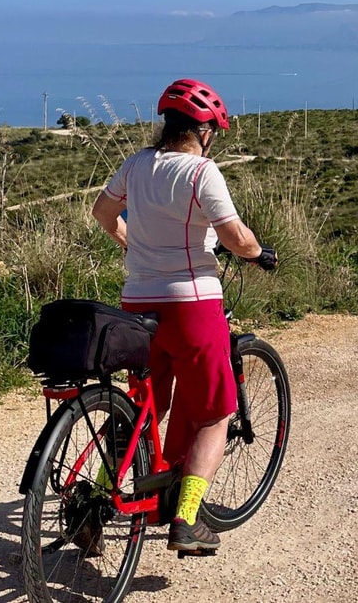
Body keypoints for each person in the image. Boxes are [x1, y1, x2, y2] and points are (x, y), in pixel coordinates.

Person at [92, 78, 275, 553]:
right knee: (216, 413)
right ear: (205, 130)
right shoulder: (201, 172)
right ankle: (187, 518)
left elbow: (102, 212)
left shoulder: (135, 165)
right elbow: (233, 235)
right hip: (192, 305)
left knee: (143, 410)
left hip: (137, 304)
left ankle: (94, 498)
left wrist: (132, 244)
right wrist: (257, 254)